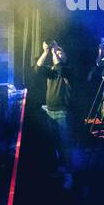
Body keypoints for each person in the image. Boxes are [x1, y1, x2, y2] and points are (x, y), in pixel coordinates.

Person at [36, 40, 74, 188]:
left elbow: (60, 69)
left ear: (65, 56)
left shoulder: (68, 69)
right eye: (56, 51)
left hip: (63, 112)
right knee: (56, 144)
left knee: (66, 146)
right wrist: (46, 52)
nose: (57, 53)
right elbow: (37, 69)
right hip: (50, 111)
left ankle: (70, 174)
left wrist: (54, 52)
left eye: (60, 51)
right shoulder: (52, 70)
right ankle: (62, 169)